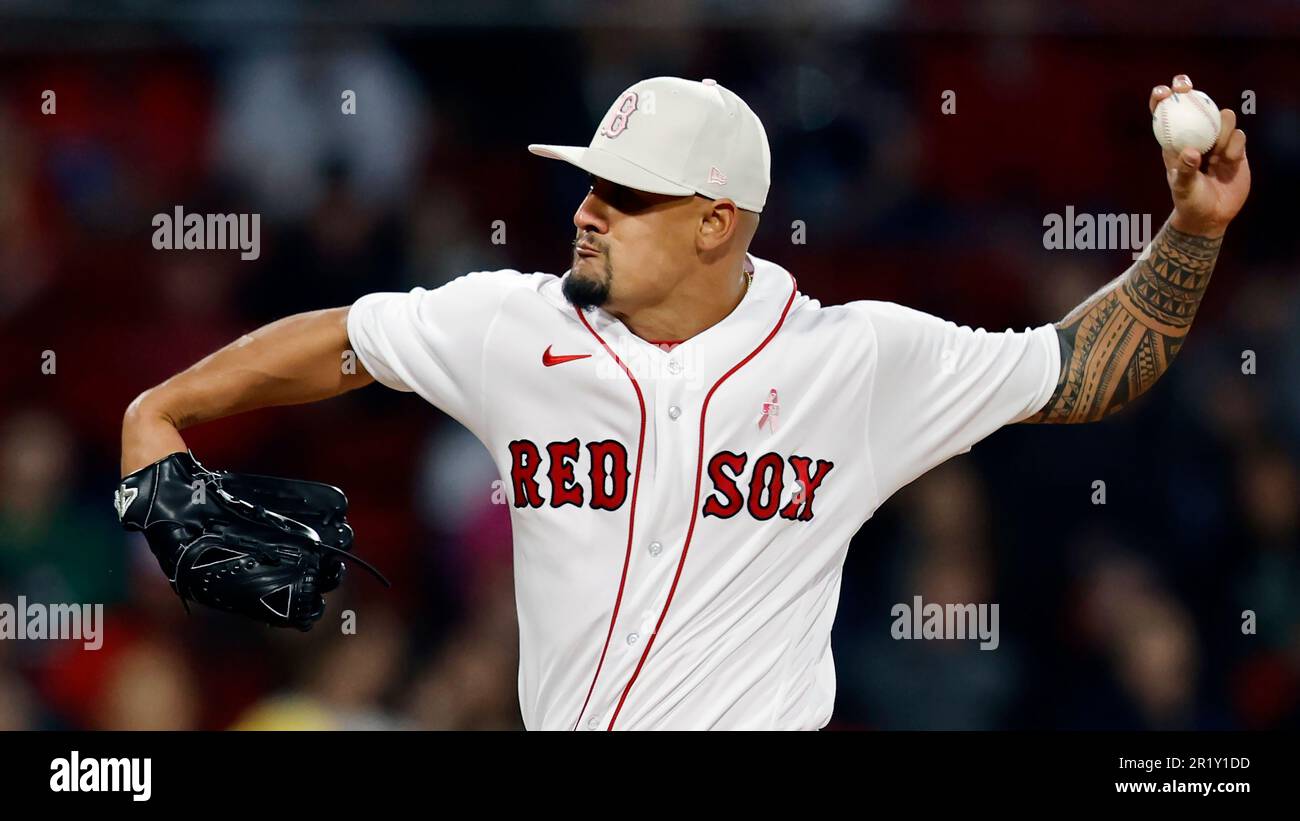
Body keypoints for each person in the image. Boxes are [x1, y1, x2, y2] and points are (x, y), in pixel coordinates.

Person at [120, 74, 1250, 730]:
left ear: (716, 221)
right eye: (586, 184)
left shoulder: (852, 359)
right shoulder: (515, 325)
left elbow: (1084, 364)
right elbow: (348, 340)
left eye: (624, 194)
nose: (587, 211)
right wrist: (160, 407)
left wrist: (1190, 233)